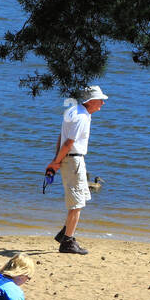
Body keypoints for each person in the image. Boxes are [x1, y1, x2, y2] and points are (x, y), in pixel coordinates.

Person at [46, 85, 108, 256]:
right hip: (74, 160)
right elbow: (68, 142)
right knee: (77, 204)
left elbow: (61, 137)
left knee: (81, 198)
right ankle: (67, 241)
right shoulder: (81, 117)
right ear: (91, 101)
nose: (102, 103)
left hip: (71, 159)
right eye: (100, 100)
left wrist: (56, 160)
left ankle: (64, 233)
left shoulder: (74, 112)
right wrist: (55, 162)